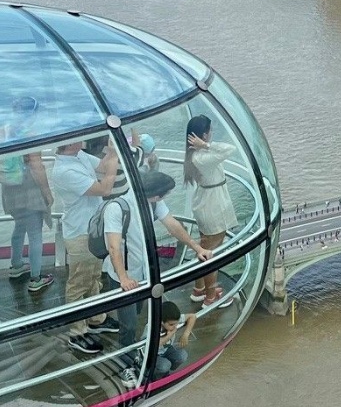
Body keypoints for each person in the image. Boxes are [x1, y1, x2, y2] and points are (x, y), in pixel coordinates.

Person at [101, 167, 211, 387]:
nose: (164, 199)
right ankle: (125, 366)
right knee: (128, 324)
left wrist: (196, 248)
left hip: (143, 275)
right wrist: (123, 278)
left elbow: (173, 225)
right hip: (124, 276)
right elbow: (113, 246)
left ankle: (138, 352)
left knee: (137, 315)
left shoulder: (152, 203)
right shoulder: (117, 208)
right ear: (155, 195)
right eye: (164, 195)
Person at [51, 135, 120, 355]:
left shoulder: (78, 155)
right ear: (70, 142)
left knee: (93, 278)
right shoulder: (64, 171)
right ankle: (77, 333)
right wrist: (114, 157)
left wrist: (111, 154)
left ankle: (96, 319)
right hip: (80, 233)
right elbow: (105, 188)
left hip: (92, 229)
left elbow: (102, 167)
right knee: (78, 283)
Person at [183, 115, 238, 307]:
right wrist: (206, 145)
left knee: (205, 248)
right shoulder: (203, 157)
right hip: (213, 207)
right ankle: (210, 297)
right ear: (204, 135)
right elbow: (230, 149)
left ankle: (199, 289)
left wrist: (203, 145)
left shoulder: (193, 155)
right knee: (211, 254)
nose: (212, 134)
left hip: (205, 203)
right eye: (210, 131)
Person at [1, 96, 54, 293]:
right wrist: (47, 193)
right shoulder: (30, 133)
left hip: (9, 188)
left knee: (19, 226)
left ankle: (16, 266)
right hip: (28, 188)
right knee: (35, 234)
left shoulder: (4, 130)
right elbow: (37, 166)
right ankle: (36, 278)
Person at [155, 300, 195, 379]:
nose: (175, 326)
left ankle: (164, 370)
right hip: (152, 355)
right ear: (161, 322)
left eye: (177, 323)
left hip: (166, 349)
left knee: (182, 355)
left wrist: (186, 334)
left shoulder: (173, 320)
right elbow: (155, 345)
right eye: (171, 324)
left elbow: (192, 316)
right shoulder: (152, 326)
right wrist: (170, 335)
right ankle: (155, 376)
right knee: (165, 365)